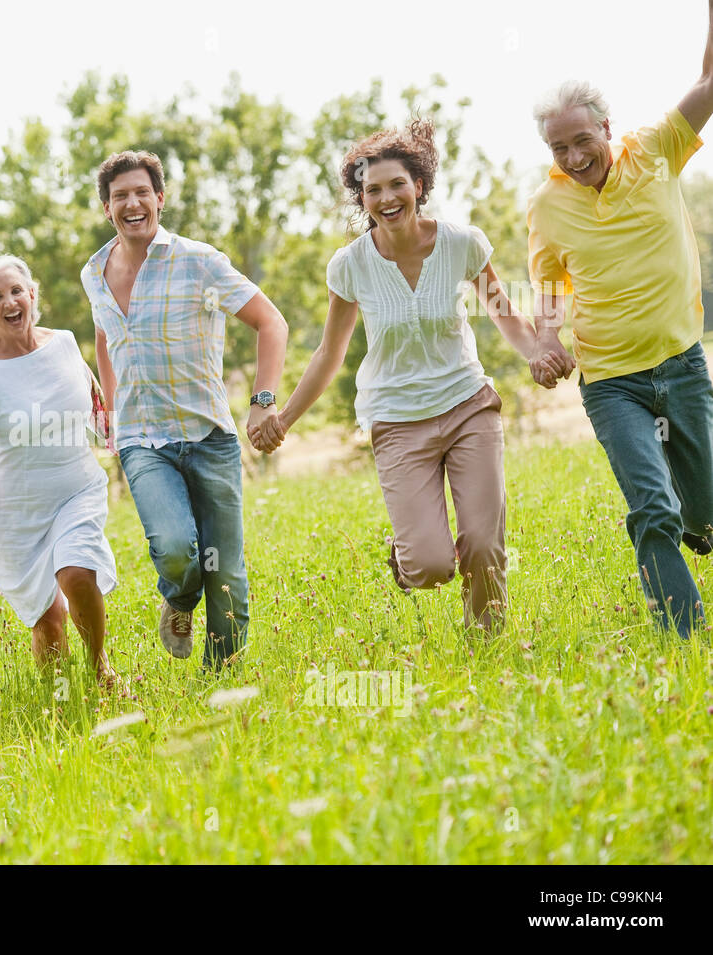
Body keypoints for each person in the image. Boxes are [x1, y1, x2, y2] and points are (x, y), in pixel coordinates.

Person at [276, 121, 543, 632]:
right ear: (362, 199)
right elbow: (330, 353)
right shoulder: (350, 265)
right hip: (397, 421)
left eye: (396, 184)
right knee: (431, 567)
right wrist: (285, 417)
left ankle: (485, 645)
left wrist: (537, 352)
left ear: (418, 185)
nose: (387, 197)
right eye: (372, 189)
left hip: (467, 404)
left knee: (484, 543)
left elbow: (503, 311)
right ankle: (406, 557)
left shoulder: (462, 244)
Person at [527, 3, 713, 637]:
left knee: (708, 515)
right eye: (560, 147)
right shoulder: (548, 207)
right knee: (650, 508)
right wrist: (546, 340)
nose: (575, 156)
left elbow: (710, 82)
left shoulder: (657, 149)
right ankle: (684, 638)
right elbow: (548, 285)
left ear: (607, 126)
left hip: (682, 365)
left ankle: (700, 522)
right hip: (612, 383)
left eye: (583, 140)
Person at [80, 149, 288, 668]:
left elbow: (271, 322)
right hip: (141, 440)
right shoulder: (94, 272)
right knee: (176, 548)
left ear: (160, 199)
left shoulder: (200, 261)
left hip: (209, 435)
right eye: (120, 196)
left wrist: (262, 401)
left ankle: (222, 680)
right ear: (107, 207)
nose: (132, 204)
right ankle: (177, 598)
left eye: (141, 193)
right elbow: (106, 336)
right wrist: (108, 409)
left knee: (227, 574)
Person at [0, 255, 119, 686]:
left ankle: (100, 669)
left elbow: (101, 410)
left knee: (77, 573)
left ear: (32, 294)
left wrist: (135, 449)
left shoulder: (63, 343)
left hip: (76, 487)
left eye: (16, 291)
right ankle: (60, 705)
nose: (10, 302)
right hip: (18, 508)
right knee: (48, 622)